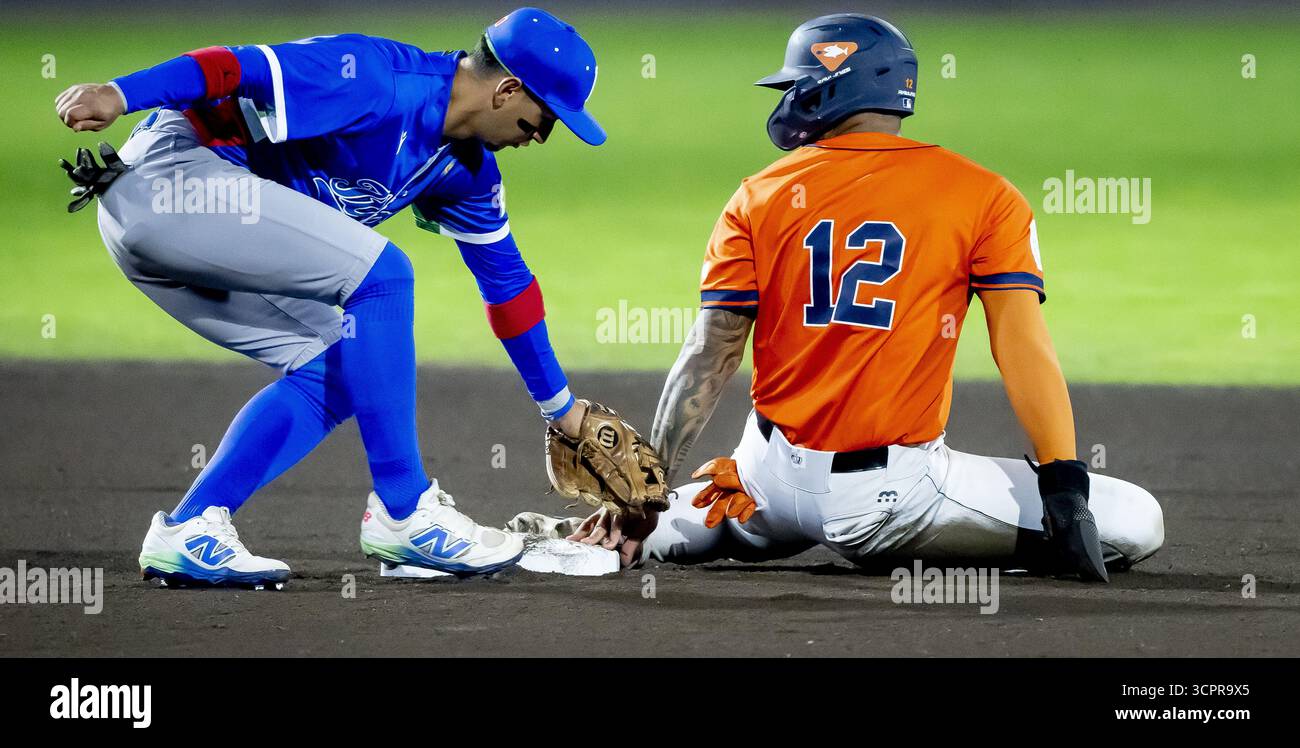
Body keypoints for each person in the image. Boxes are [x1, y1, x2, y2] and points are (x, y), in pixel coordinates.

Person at [562, 13, 1164, 581]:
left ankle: (640, 526)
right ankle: (925, 551)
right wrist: (1061, 482)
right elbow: (1020, 345)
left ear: (829, 88)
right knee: (1137, 520)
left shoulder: (758, 194)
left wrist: (646, 487)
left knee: (667, 516)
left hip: (762, 480)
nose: (787, 97)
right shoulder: (982, 194)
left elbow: (709, 355)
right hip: (891, 499)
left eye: (797, 83)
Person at [55, 7, 606, 587]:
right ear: (508, 89)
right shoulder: (373, 76)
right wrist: (121, 93)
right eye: (544, 118)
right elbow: (232, 67)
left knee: (347, 362)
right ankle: (406, 511)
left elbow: (509, 286)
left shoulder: (467, 171)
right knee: (385, 274)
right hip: (167, 182)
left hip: (193, 228)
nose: (542, 136)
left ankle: (189, 529)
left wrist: (562, 411)